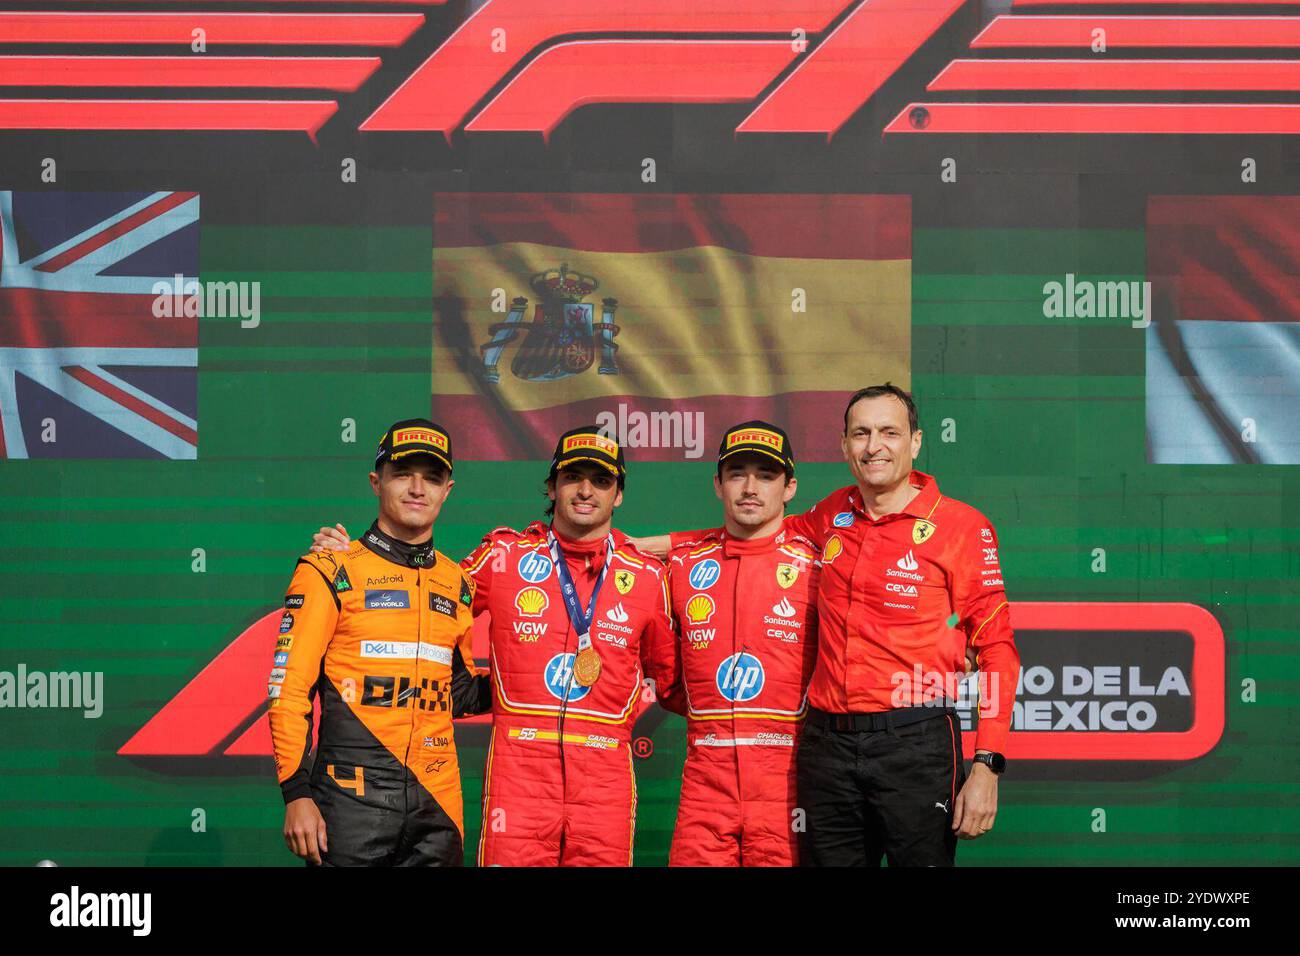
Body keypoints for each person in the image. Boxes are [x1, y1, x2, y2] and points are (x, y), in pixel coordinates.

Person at [648, 385, 1018, 866]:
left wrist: (987, 765)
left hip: (915, 740)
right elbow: (751, 533)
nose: (873, 446)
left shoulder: (962, 526)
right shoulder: (832, 514)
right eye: (861, 433)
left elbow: (998, 651)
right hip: (827, 747)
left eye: (889, 432)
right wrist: (641, 545)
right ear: (844, 446)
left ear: (917, 442)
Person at [311, 426, 678, 866]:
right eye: (572, 477)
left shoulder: (647, 577)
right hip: (518, 775)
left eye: (601, 481)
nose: (585, 491)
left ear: (618, 495)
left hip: (605, 779)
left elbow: (670, 678)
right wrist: (353, 558)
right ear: (551, 486)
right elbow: (427, 591)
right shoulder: (504, 558)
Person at [270, 419, 490, 867]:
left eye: (431, 477)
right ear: (377, 482)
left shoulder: (457, 582)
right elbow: (288, 688)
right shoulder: (330, 568)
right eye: (402, 473)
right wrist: (296, 793)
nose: (417, 488)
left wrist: (539, 676)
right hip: (350, 803)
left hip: (438, 805)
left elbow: (460, 692)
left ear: (448, 489)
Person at [659, 421, 819, 866]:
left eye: (766, 476)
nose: (750, 488)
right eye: (737, 474)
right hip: (704, 783)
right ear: (718, 484)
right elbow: (658, 665)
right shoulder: (680, 566)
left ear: (789, 487)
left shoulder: (819, 566)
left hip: (790, 781)